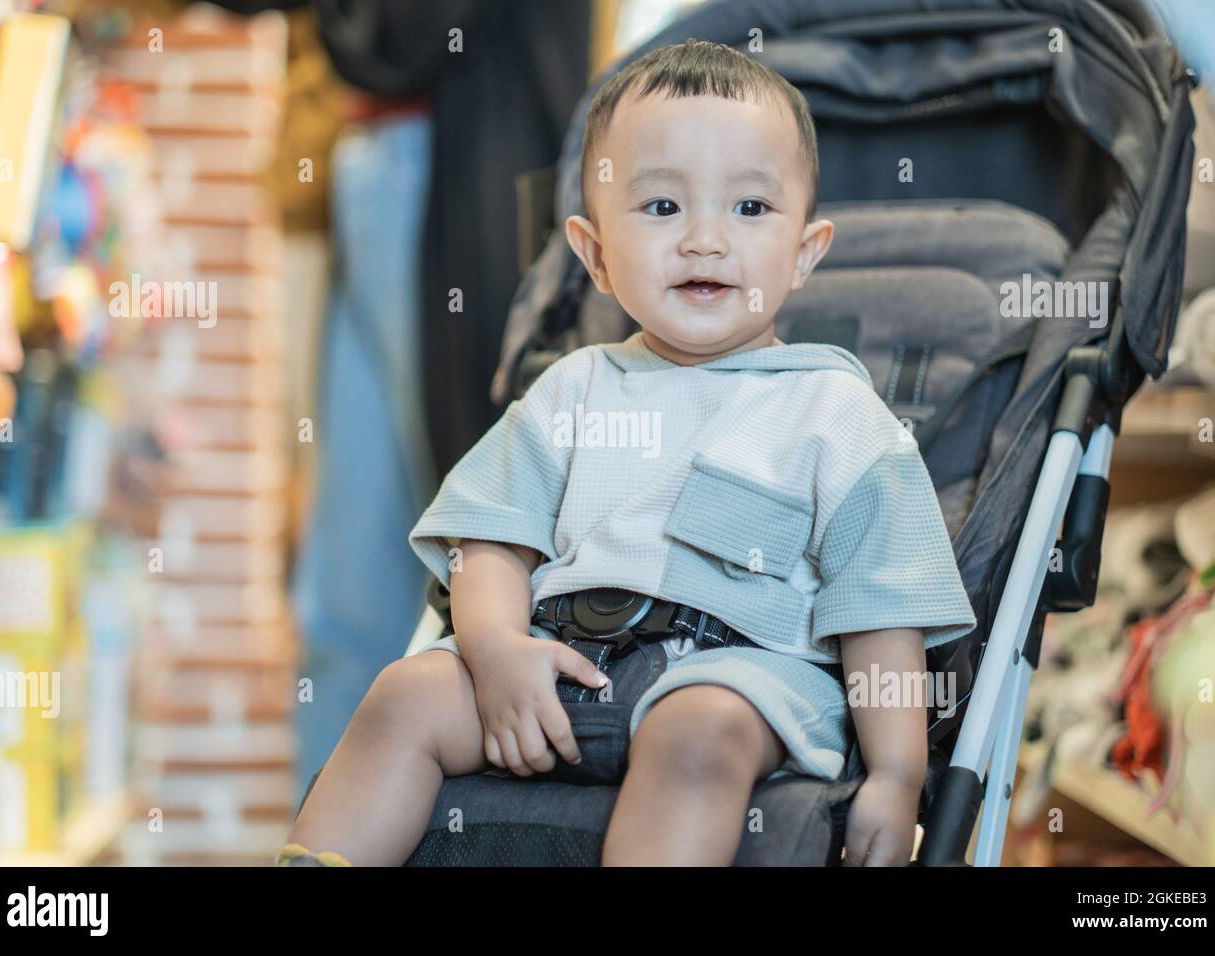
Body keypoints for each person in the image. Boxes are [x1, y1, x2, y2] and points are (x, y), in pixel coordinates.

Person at [277, 39, 976, 867]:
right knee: (406, 695)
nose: (706, 241)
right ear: (595, 254)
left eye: (750, 209)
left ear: (805, 251)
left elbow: (881, 616)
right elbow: (487, 540)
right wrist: (497, 649)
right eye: (661, 209)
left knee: (699, 729)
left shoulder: (837, 415)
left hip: (739, 678)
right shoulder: (572, 390)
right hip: (559, 666)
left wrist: (898, 775)